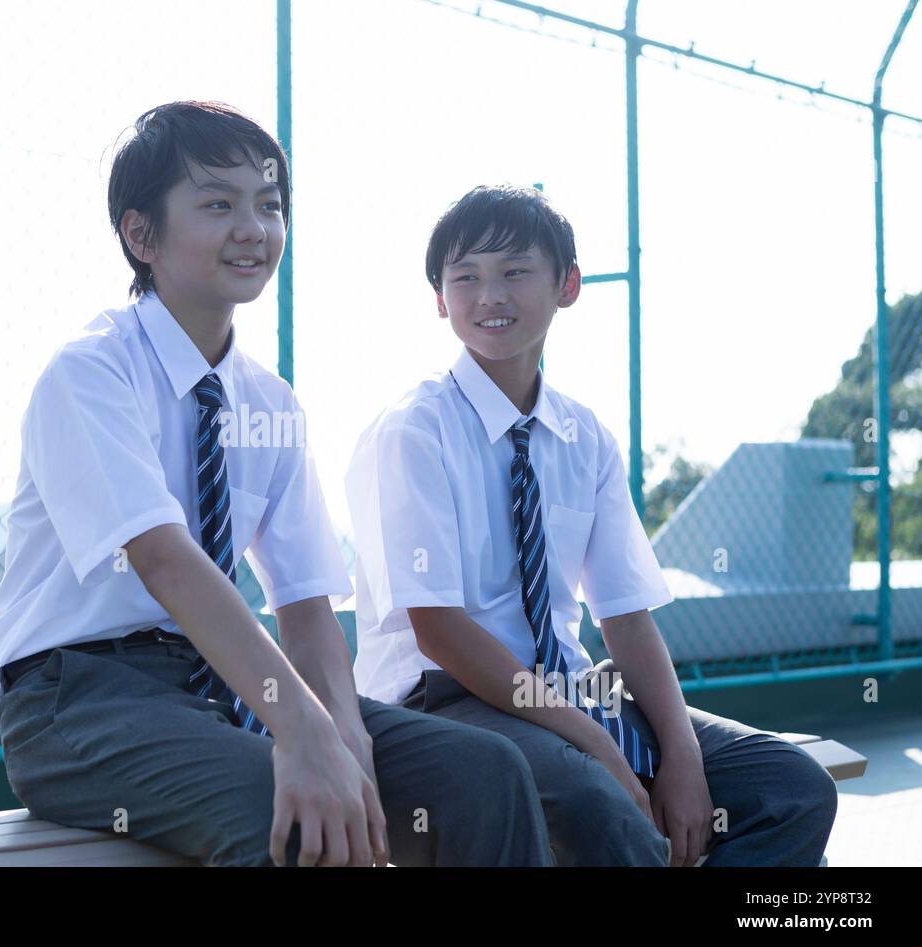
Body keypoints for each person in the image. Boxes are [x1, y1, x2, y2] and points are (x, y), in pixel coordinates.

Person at [0, 104, 551, 867]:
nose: (253, 227)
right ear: (140, 236)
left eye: (270, 204)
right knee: (287, 818)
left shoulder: (270, 403)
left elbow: (307, 608)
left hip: (223, 686)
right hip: (77, 697)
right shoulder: (91, 373)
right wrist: (302, 733)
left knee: (485, 772)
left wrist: (346, 740)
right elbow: (166, 560)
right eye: (218, 204)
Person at [345, 183, 839, 866]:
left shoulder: (584, 437)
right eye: (466, 277)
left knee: (792, 788)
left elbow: (626, 617)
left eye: (515, 271)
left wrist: (682, 753)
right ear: (440, 298)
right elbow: (438, 627)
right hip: (441, 702)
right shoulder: (413, 429)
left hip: (571, 692)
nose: (490, 296)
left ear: (567, 285)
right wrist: (598, 743)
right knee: (593, 798)